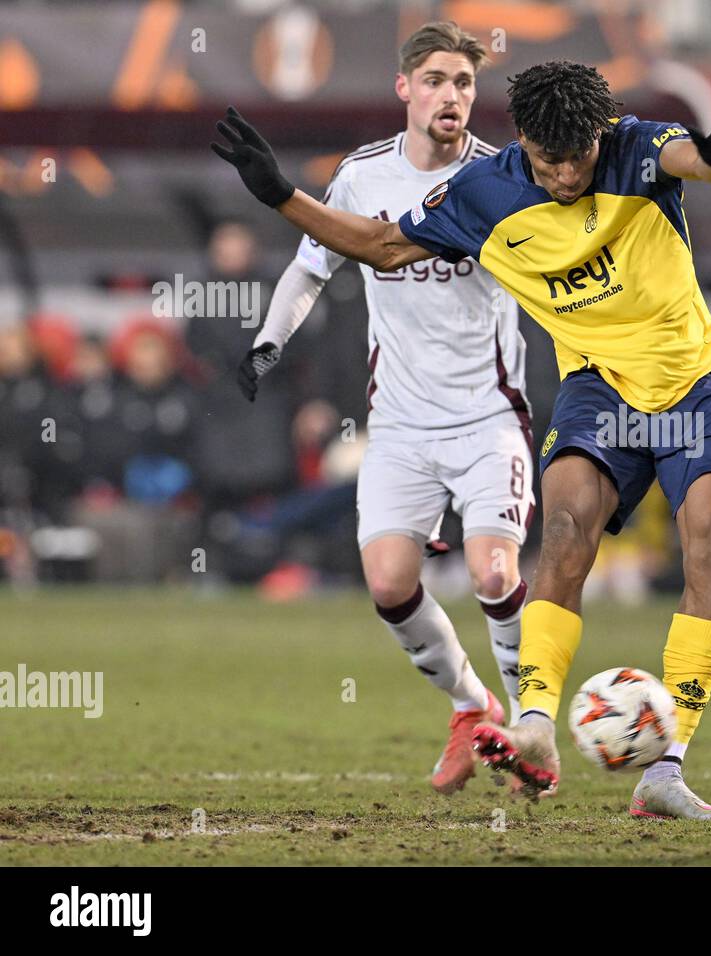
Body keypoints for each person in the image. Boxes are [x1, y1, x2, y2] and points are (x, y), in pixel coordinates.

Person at [213, 58, 711, 820]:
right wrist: (280, 194)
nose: (567, 175)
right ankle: (533, 723)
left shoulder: (634, 148)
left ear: (600, 136)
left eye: (579, 158)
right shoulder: (483, 193)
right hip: (597, 383)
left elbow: (690, 156)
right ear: (522, 143)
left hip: (692, 380)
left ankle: (665, 769)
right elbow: (380, 246)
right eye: (549, 160)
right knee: (564, 529)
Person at [233, 22, 534, 795]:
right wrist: (268, 342)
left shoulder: (500, 178)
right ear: (405, 88)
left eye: (464, 83)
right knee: (390, 585)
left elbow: (383, 248)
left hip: (487, 417)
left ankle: (533, 730)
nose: (451, 95)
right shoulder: (363, 174)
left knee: (494, 572)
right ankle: (474, 709)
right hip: (399, 422)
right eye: (436, 79)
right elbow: (312, 267)